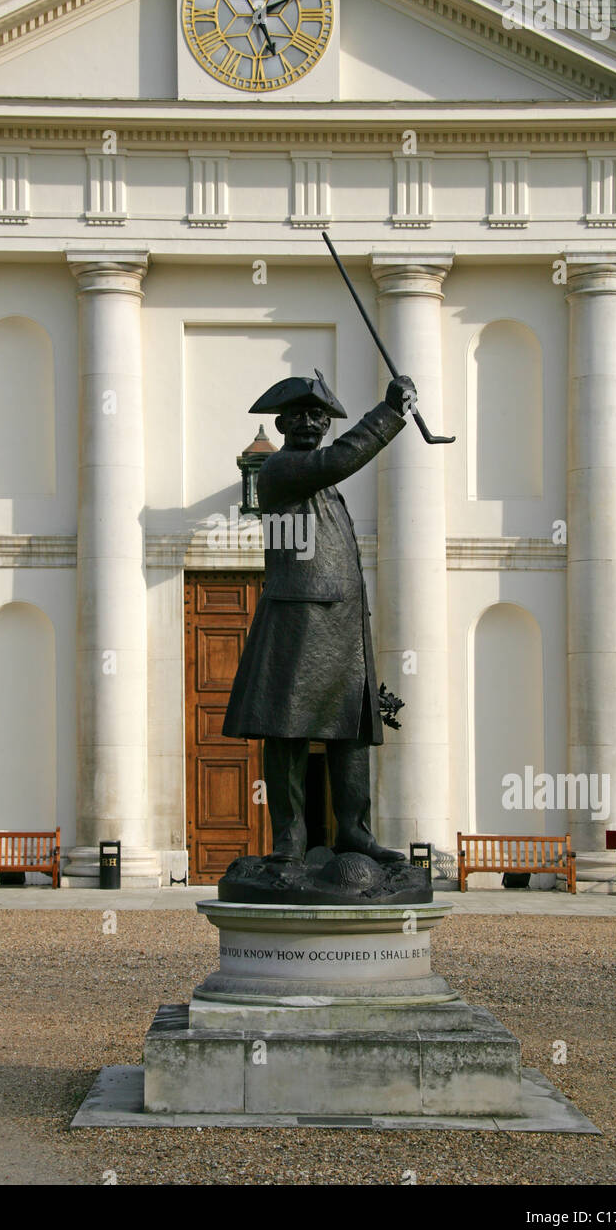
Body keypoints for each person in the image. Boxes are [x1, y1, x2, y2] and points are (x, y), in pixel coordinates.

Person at [222, 368, 417, 865]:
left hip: (344, 617)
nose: (311, 422)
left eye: (319, 415)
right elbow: (338, 461)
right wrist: (390, 413)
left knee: (351, 727)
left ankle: (353, 832)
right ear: (282, 425)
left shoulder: (322, 484)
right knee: (286, 729)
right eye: (300, 415)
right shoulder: (280, 471)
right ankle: (288, 840)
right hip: (298, 615)